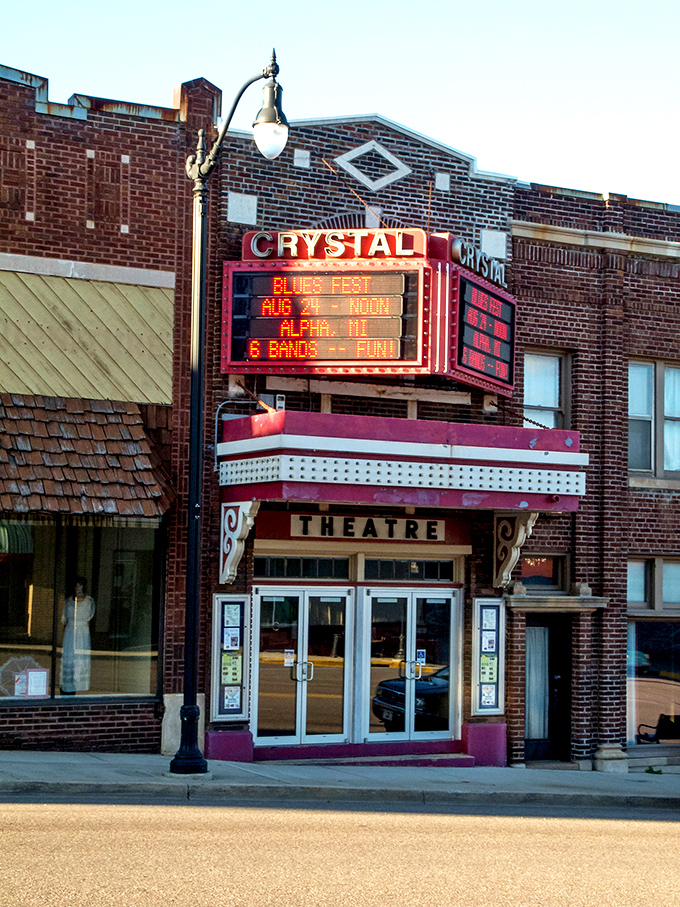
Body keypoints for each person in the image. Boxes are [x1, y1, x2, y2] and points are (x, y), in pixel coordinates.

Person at [59, 578, 95, 695]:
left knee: (80, 659)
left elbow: (89, 618)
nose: (77, 589)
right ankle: (67, 687)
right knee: (69, 659)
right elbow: (63, 620)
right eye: (76, 586)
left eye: (79, 586)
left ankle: (80, 685)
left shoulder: (89, 601)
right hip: (70, 633)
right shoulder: (68, 601)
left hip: (83, 633)